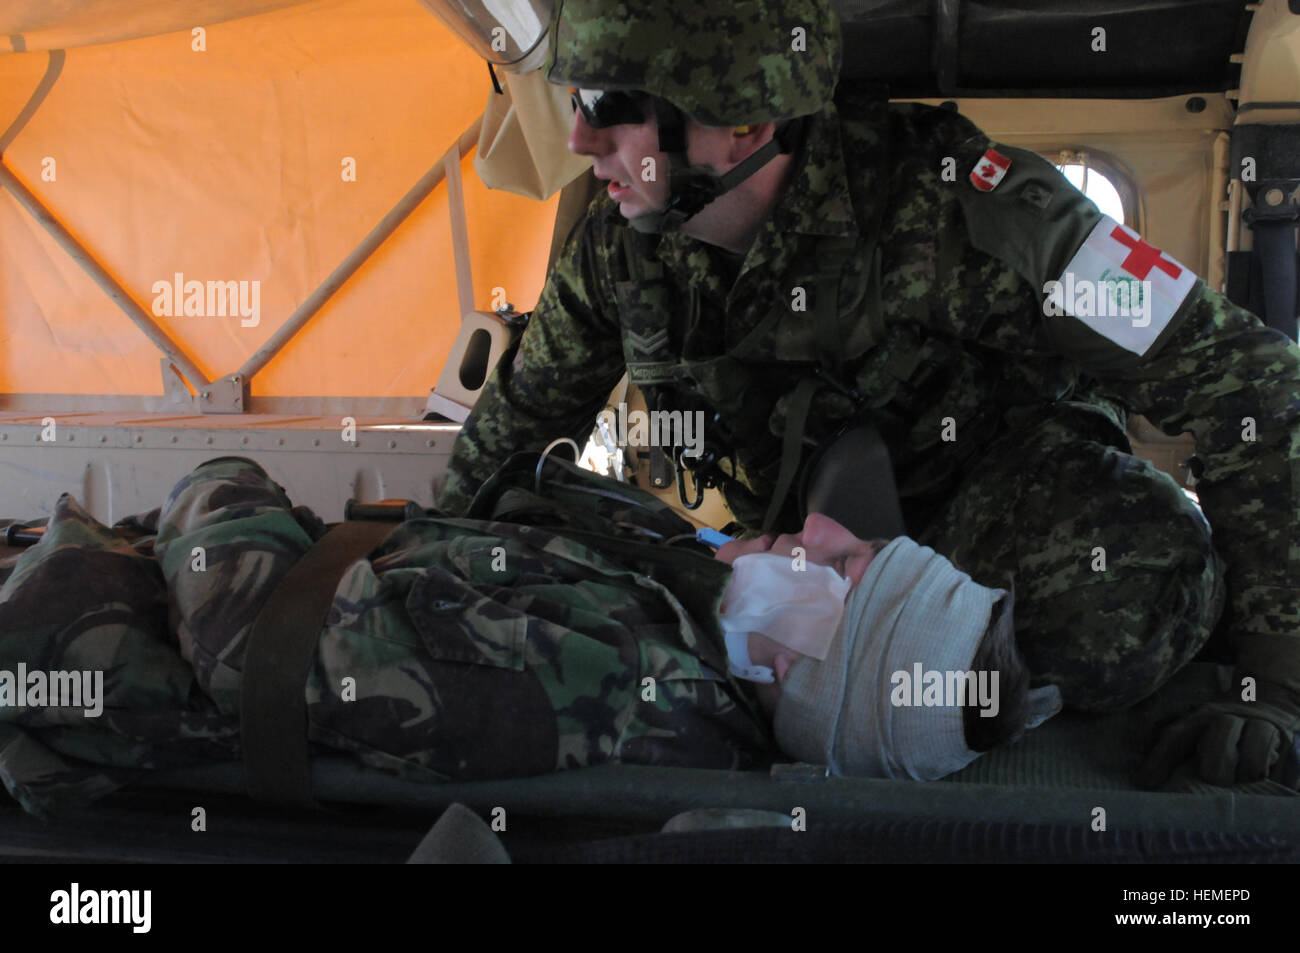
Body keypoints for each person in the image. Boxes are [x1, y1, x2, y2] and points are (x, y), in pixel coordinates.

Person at [436, 0, 1300, 789]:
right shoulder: (619, 253)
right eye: (580, 102)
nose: (584, 141)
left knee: (1133, 576)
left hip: (991, 543)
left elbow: (1252, 380)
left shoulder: (966, 208)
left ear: (742, 124)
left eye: (614, 106)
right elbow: (516, 426)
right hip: (802, 565)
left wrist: (1278, 681)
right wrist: (417, 558)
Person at [0, 456, 1047, 816]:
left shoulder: (613, 685)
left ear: (814, 663)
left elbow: (251, 654)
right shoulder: (691, 632)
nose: (815, 529)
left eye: (845, 564)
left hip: (56, 639)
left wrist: (214, 482)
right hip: (99, 585)